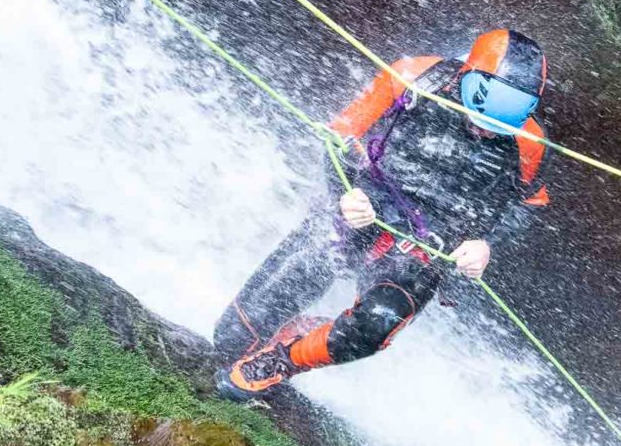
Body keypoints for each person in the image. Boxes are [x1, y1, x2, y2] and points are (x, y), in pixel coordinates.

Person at [213, 28, 553, 399]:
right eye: (486, 103)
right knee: (230, 337)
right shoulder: (413, 78)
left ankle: (283, 360)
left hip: (422, 251)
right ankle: (295, 332)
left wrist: (485, 245)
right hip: (355, 216)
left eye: (513, 111)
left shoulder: (528, 142)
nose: (489, 124)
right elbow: (339, 137)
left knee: (379, 321)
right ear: (466, 75)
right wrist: (346, 193)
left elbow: (525, 210)